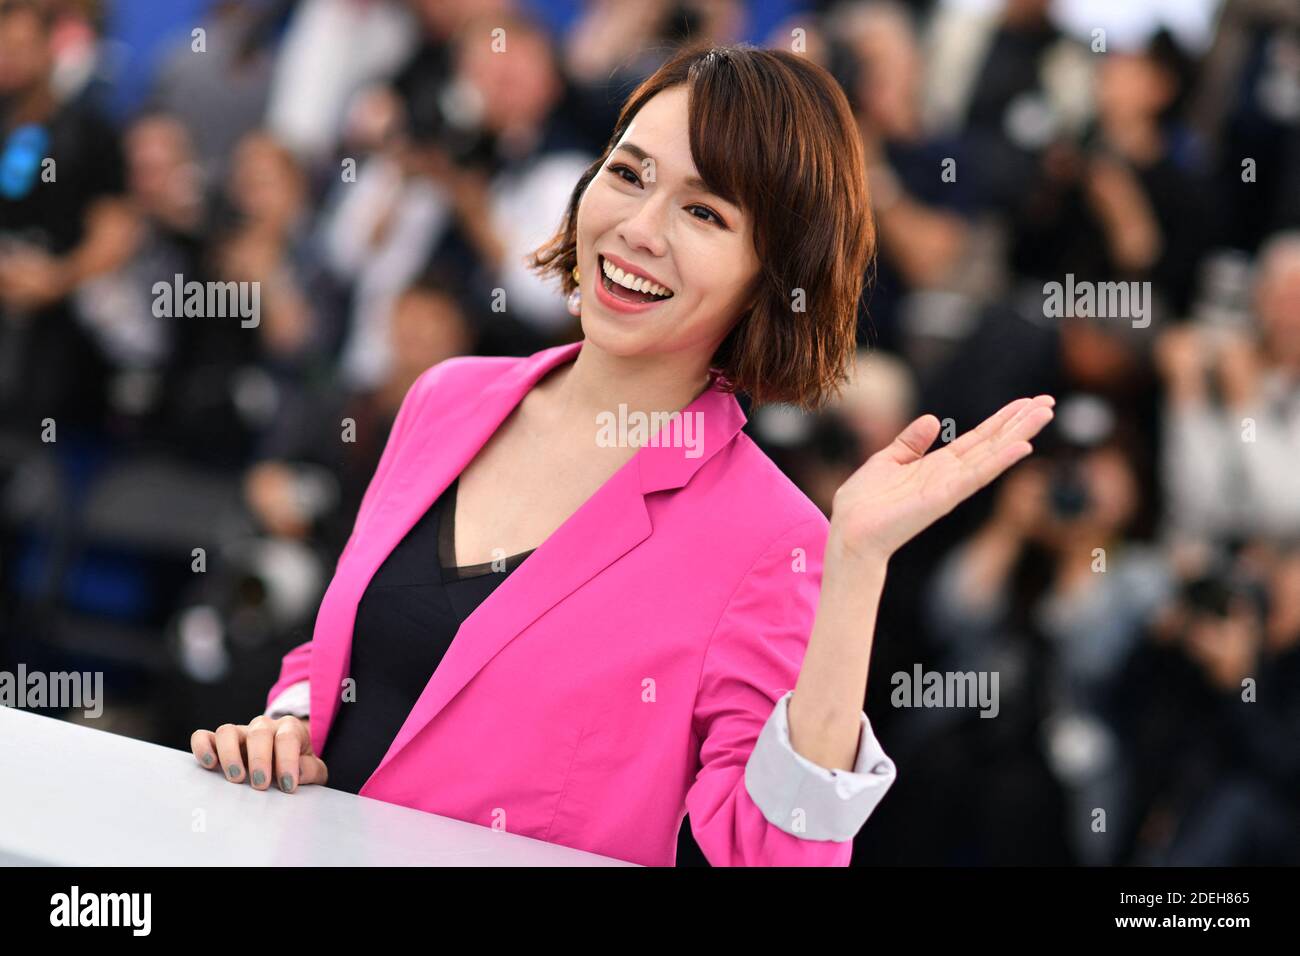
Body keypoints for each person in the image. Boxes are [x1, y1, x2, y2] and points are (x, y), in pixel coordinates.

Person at [187, 44, 1055, 867]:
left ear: (770, 274)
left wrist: (856, 563)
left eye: (705, 212)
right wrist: (288, 722)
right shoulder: (447, 399)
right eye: (630, 174)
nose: (640, 228)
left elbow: (773, 854)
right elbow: (341, 654)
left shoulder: (772, 541)